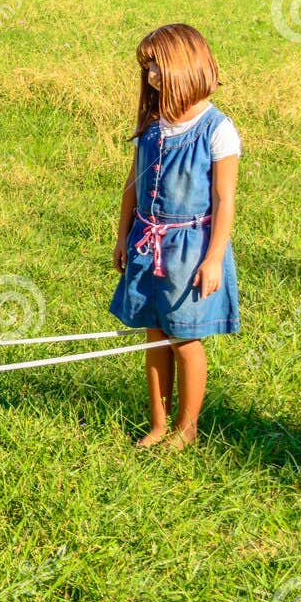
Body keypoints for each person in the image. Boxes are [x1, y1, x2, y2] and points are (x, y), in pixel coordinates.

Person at [110, 23, 240, 450]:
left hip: (191, 250)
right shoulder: (153, 124)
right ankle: (159, 425)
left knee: (184, 339)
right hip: (148, 244)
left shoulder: (217, 129)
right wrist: (122, 234)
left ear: (185, 65)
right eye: (147, 68)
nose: (150, 77)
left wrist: (214, 257)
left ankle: (187, 428)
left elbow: (224, 200)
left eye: (156, 66)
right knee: (153, 335)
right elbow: (133, 182)